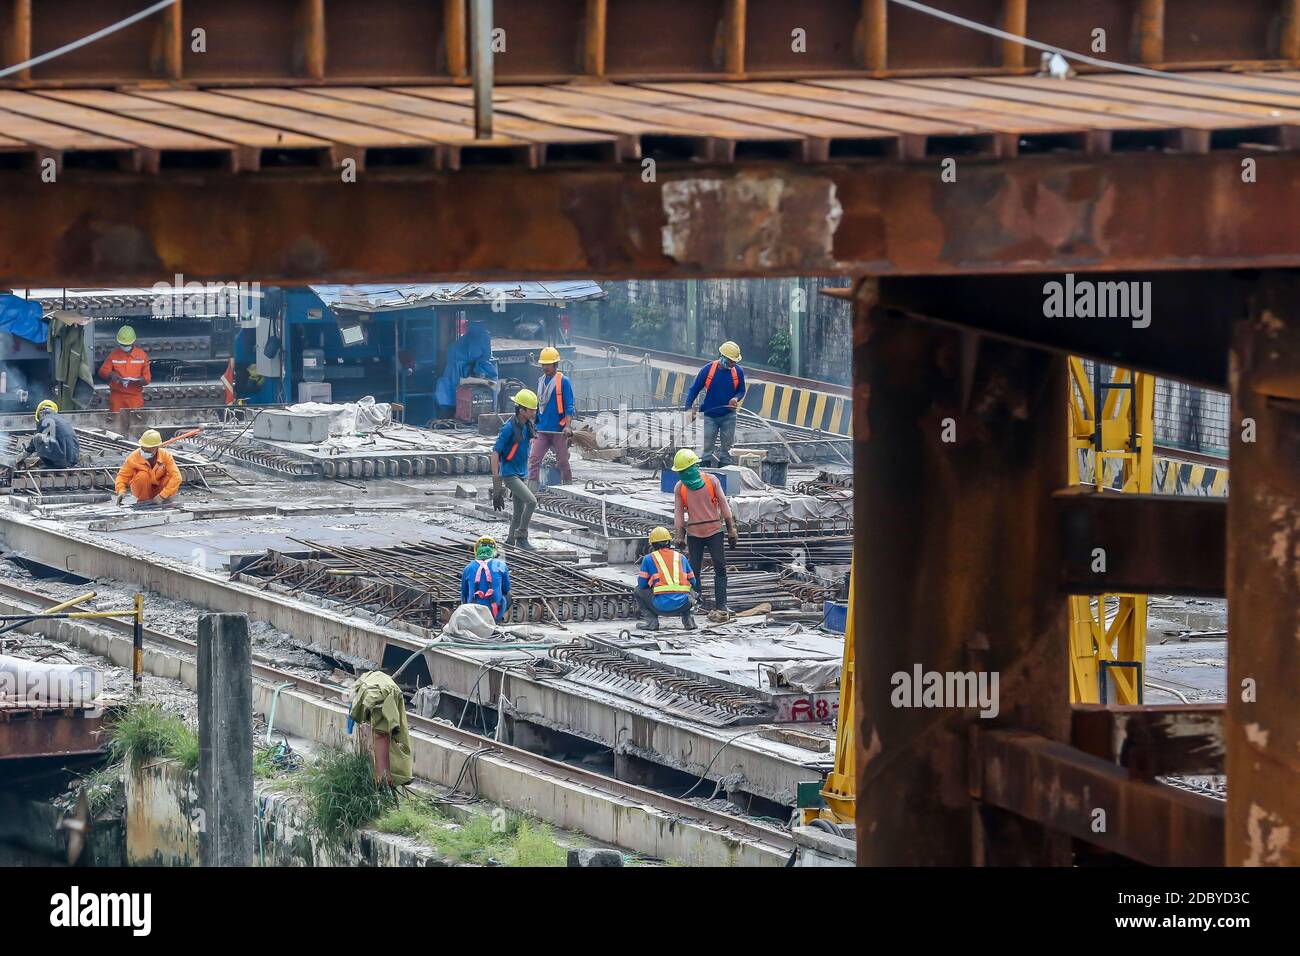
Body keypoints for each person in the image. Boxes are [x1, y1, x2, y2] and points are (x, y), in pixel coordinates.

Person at [670, 448, 738, 617]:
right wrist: (679, 535)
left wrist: (731, 529)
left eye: (686, 470)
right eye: (681, 472)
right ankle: (697, 603)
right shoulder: (680, 488)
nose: (684, 475)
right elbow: (678, 513)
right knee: (694, 570)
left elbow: (724, 505)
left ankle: (722, 604)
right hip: (694, 534)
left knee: (720, 567)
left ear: (695, 467)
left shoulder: (711, 481)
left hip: (714, 531)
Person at [683, 340, 746, 467]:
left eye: (735, 361)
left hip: (729, 416)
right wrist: (688, 408)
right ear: (723, 358)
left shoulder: (737, 371)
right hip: (709, 416)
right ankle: (704, 472)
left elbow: (741, 390)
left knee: (727, 448)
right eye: (731, 361)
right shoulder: (708, 370)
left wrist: (736, 398)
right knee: (706, 447)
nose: (734, 363)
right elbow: (694, 389)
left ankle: (725, 471)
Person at [492, 389, 538, 549]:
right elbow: (495, 452)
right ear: (521, 410)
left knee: (519, 511)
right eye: (531, 409)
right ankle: (521, 537)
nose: (534, 412)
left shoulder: (527, 425)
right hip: (510, 474)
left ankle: (510, 542)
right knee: (532, 502)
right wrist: (496, 483)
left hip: (521, 473)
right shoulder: (508, 428)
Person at [635, 526, 697, 632]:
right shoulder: (681, 557)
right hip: (683, 605)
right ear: (669, 542)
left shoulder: (648, 558)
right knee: (691, 590)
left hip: (659, 606)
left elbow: (642, 585)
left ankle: (651, 622)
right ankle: (689, 621)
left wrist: (653, 584)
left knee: (638, 590)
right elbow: (693, 582)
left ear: (652, 545)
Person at [528, 346, 574, 486]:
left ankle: (569, 487)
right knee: (534, 460)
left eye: (548, 364)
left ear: (556, 365)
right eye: (544, 364)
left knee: (562, 462)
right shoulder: (540, 381)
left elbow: (569, 406)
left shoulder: (563, 381)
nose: (545, 367)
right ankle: (532, 491)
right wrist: (534, 426)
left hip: (558, 431)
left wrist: (567, 426)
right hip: (542, 430)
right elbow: (539, 405)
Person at [114, 429, 182, 506]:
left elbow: (177, 477)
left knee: (169, 477)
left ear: (156, 448)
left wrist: (162, 496)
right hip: (143, 490)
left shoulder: (165, 456)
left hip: (160, 491)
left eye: (148, 449)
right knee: (142, 475)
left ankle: (166, 501)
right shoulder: (133, 457)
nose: (144, 450)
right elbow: (122, 476)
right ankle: (144, 502)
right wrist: (121, 490)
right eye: (143, 448)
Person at [97, 326, 151, 412]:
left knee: (135, 422)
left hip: (135, 397)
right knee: (116, 422)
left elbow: (147, 379)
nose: (124, 346)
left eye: (126, 345)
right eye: (122, 345)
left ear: (133, 342)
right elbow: (102, 372)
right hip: (117, 397)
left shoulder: (142, 356)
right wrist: (111, 374)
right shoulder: (114, 355)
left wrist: (139, 380)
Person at [460, 534, 511, 622]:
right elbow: (506, 589)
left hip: (473, 611)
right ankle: (499, 619)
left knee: (466, 595)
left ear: (476, 550)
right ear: (494, 551)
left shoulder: (468, 567)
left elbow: (464, 593)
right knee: (508, 595)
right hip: (493, 611)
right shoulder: (501, 565)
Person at [22, 400, 80, 469]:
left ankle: (51, 465)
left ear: (40, 412)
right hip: (73, 459)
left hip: (62, 460)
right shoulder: (61, 420)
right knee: (48, 438)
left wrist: (25, 453)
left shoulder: (45, 419)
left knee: (38, 437)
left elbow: (35, 441)